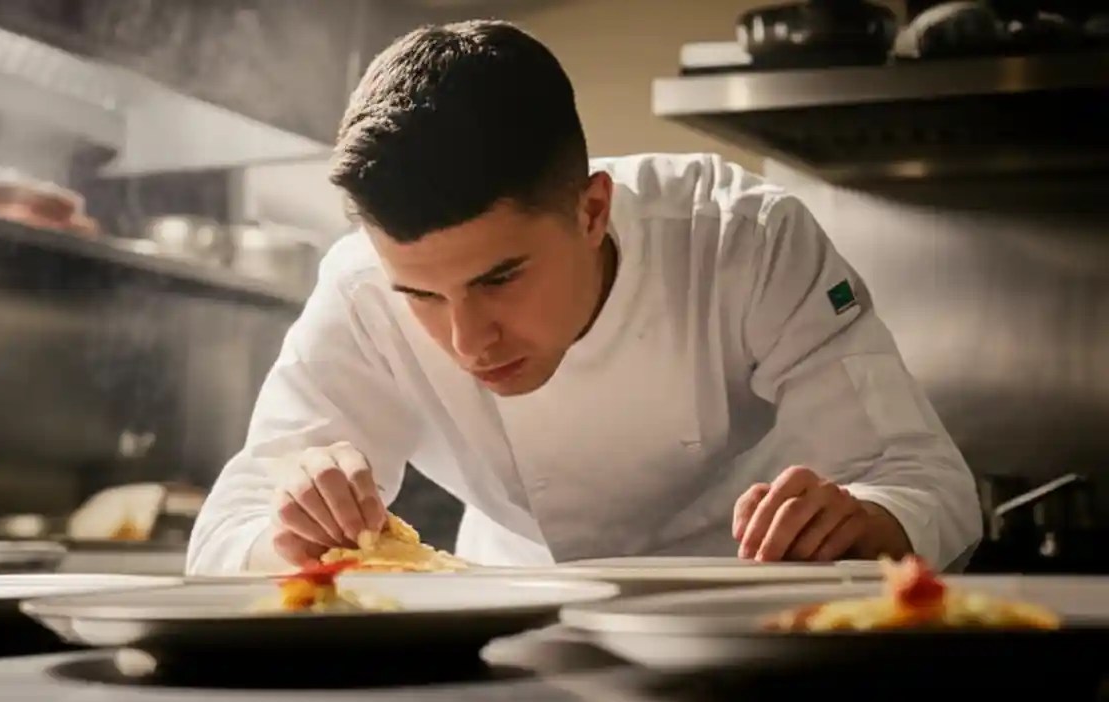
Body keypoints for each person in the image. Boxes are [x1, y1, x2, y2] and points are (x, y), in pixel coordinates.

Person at [185, 20, 982, 574]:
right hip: (508, 640)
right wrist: (285, 533)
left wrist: (868, 521)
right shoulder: (359, 287)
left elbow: (926, 480)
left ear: (592, 210)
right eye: (421, 295)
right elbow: (225, 533)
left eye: (499, 278)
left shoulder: (743, 239)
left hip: (752, 629)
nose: (469, 343)